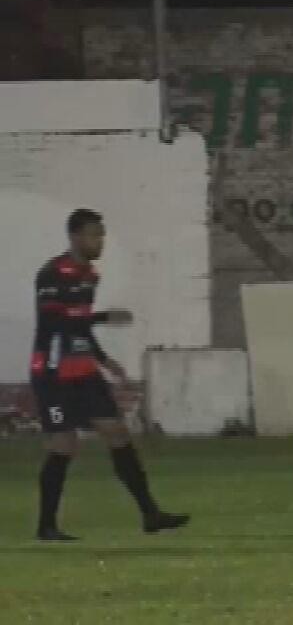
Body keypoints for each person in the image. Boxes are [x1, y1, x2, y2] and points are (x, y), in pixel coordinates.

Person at [31, 208, 189, 541]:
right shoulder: (52, 273)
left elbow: (79, 326)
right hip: (54, 372)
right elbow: (54, 323)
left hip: (84, 370)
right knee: (64, 445)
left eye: (101, 234)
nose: (99, 240)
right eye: (93, 234)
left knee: (118, 434)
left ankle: (151, 514)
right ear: (75, 236)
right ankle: (46, 526)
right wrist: (102, 317)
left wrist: (104, 359)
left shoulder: (90, 275)